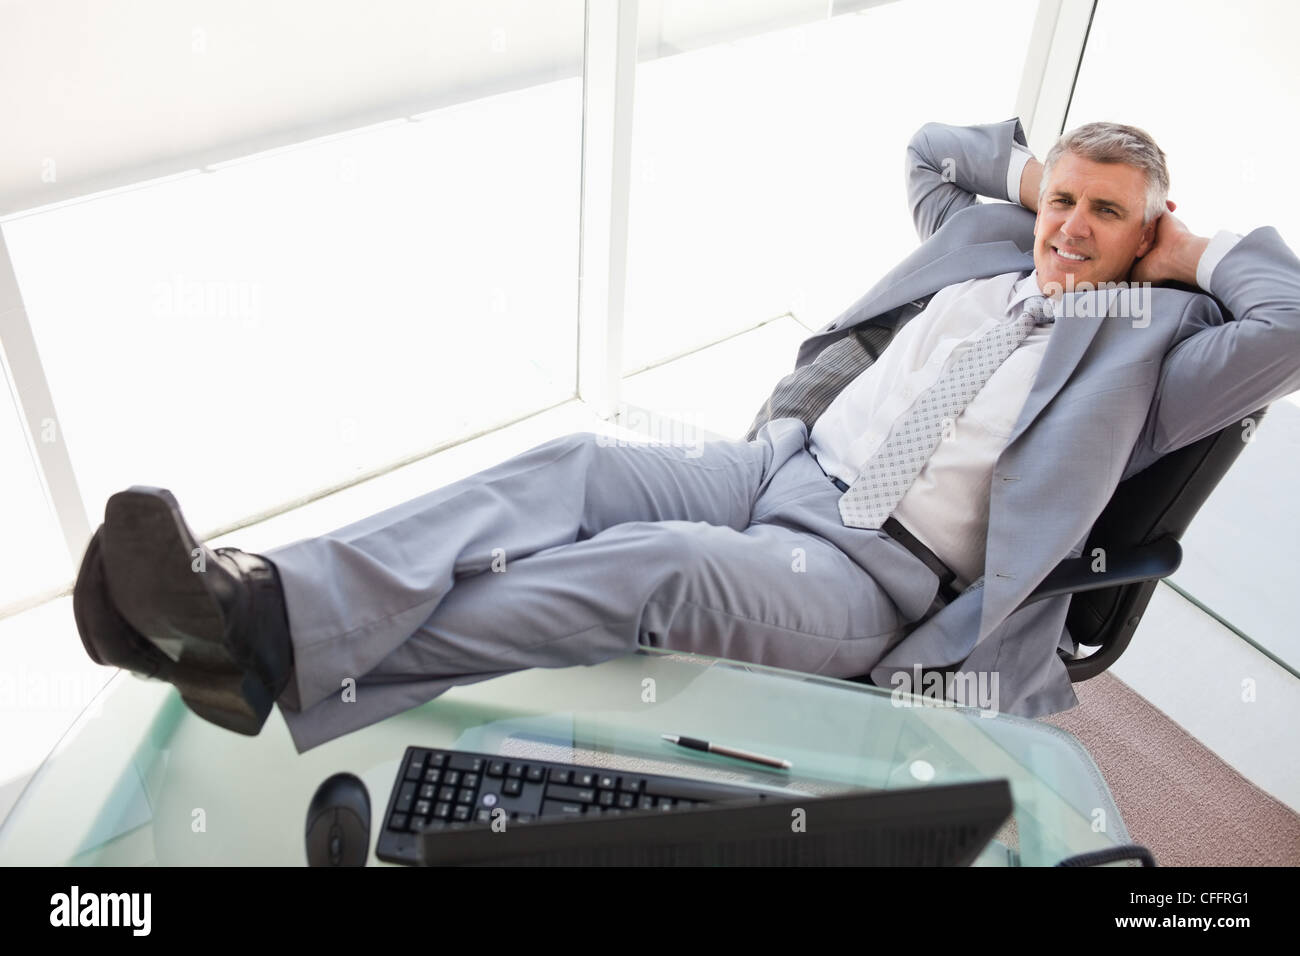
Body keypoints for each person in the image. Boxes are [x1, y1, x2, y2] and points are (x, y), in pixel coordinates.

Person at [73, 116, 1300, 753]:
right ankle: (261, 603)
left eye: (1107, 214)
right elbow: (932, 149)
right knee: (580, 462)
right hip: (780, 464)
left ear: (1153, 230)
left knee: (642, 566)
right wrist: (1040, 182)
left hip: (878, 571)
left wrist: (1179, 251)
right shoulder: (993, 240)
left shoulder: (1158, 347)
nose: (1072, 228)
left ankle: (261, 640)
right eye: (1066, 203)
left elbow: (1288, 321)